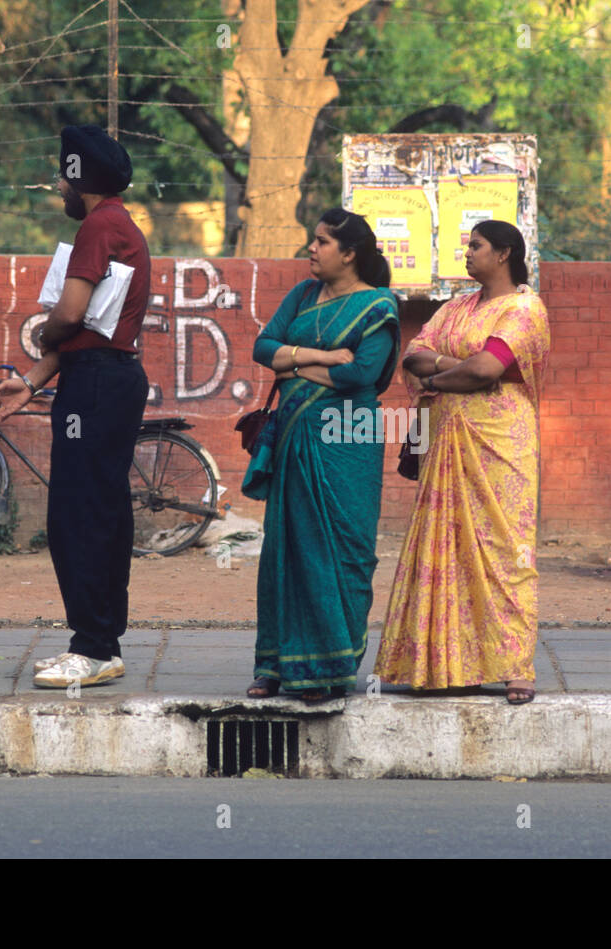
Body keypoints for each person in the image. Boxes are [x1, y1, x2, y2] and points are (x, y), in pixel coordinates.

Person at [0, 125, 150, 689]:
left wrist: (43, 331)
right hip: (103, 379)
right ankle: (99, 642)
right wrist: (31, 382)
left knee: (80, 515)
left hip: (98, 387)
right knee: (95, 510)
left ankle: (95, 646)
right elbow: (86, 337)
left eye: (63, 175)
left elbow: (71, 318)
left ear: (79, 179)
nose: (58, 185)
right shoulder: (118, 224)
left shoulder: (98, 227)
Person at [373, 220, 549, 705]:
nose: (467, 253)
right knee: (446, 547)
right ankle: (449, 665)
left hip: (499, 445)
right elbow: (413, 355)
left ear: (504, 253)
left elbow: (487, 369)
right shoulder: (456, 307)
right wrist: (458, 369)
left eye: (475, 245)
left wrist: (447, 370)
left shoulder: (525, 308)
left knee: (501, 552)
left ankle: (515, 666)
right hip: (446, 439)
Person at [243, 209, 400, 703]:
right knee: (284, 549)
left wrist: (293, 367)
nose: (311, 249)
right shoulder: (303, 295)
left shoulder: (378, 307)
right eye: (313, 241)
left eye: (322, 242)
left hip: (348, 441)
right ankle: (274, 665)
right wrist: (324, 357)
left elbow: (363, 376)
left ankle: (330, 668)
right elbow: (263, 347)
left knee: (344, 550)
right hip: (294, 438)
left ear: (349, 254)